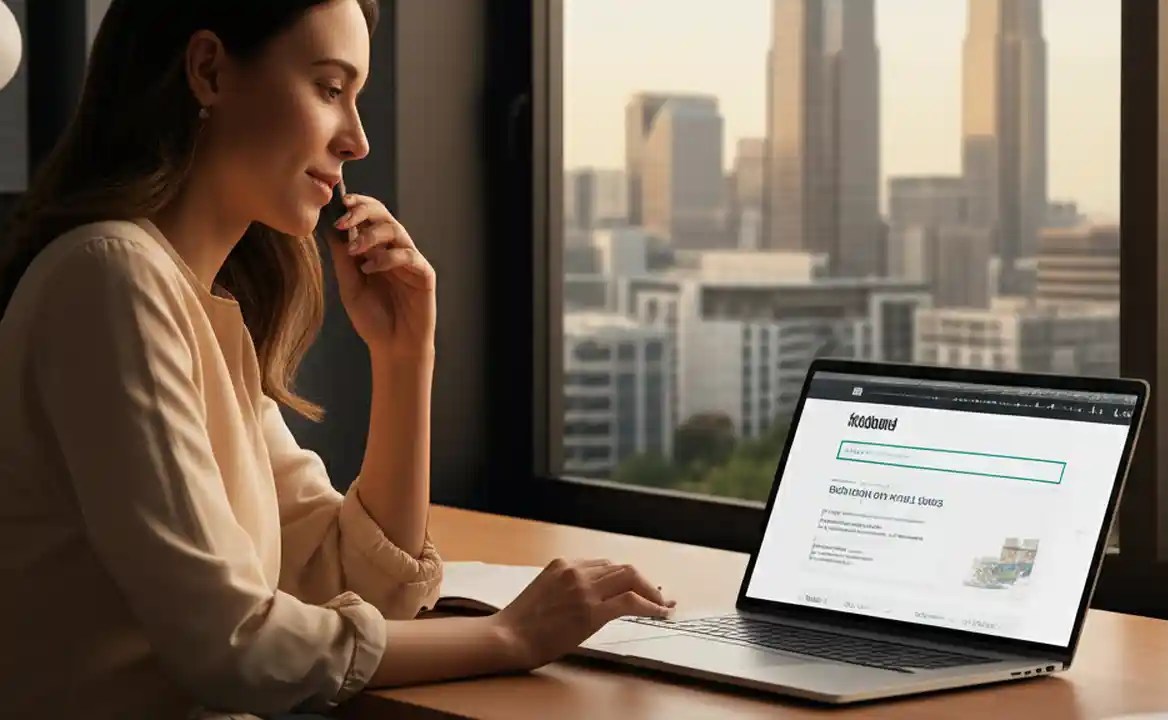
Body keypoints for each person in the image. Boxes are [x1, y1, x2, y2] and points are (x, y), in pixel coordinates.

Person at [0, 1, 673, 717]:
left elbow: (354, 580)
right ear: (208, 71)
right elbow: (237, 646)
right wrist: (510, 634)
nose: (357, 140)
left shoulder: (200, 310)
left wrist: (406, 357)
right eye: (329, 89)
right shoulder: (111, 280)